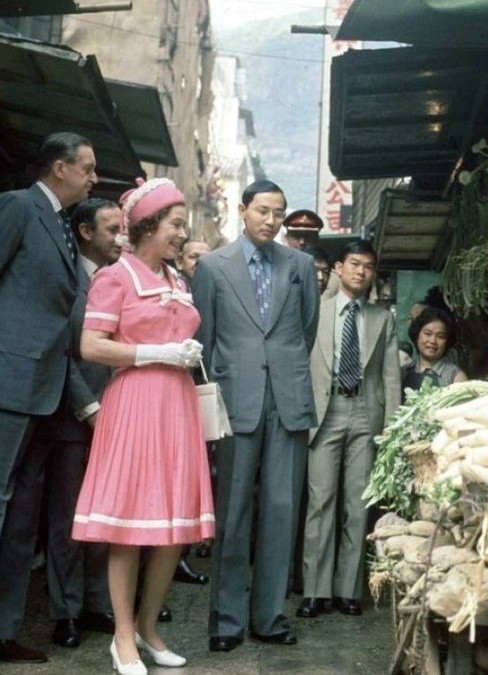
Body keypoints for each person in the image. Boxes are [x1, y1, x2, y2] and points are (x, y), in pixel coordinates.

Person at [72, 177, 215, 674]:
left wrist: (185, 353)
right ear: (150, 225)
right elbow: (91, 345)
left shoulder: (178, 280)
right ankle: (123, 636)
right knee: (130, 528)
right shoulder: (117, 276)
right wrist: (154, 351)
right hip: (134, 404)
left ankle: (150, 628)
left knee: (171, 528)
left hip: (176, 405)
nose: (181, 233)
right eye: (176, 224)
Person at [0, 132, 98, 666]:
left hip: (43, 393)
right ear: (58, 167)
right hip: (1, 384)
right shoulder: (16, 206)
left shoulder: (58, 224)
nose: (95, 178)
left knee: (19, 519)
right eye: (88, 168)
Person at [189, 180, 319, 652]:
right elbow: (204, 340)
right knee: (233, 512)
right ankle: (225, 620)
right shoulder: (212, 266)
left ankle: (269, 615)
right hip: (235, 401)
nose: (271, 220)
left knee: (282, 510)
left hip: (287, 400)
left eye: (278, 213)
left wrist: (281, 371)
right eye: (263, 210)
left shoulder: (301, 266)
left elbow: (305, 331)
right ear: (243, 211)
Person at [297, 241, 401, 620]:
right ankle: (314, 591)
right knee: (320, 501)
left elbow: (391, 378)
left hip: (365, 413)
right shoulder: (315, 311)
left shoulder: (382, 318)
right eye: (355, 264)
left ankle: (347, 590)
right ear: (339, 267)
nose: (361, 272)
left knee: (358, 505)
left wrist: (390, 429)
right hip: (324, 413)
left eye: (369, 266)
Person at [45, 197, 122, 649]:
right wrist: (89, 408)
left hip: (119, 415)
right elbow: (62, 351)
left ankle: (98, 604)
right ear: (85, 232)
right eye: (111, 230)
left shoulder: (121, 278)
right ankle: (65, 612)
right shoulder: (69, 279)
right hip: (76, 418)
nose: (120, 238)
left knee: (106, 516)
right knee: (68, 520)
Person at [402, 307, 468, 391]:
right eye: (427, 333)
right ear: (417, 335)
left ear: (447, 341)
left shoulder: (456, 376)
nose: (433, 341)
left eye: (440, 336)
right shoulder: (404, 372)